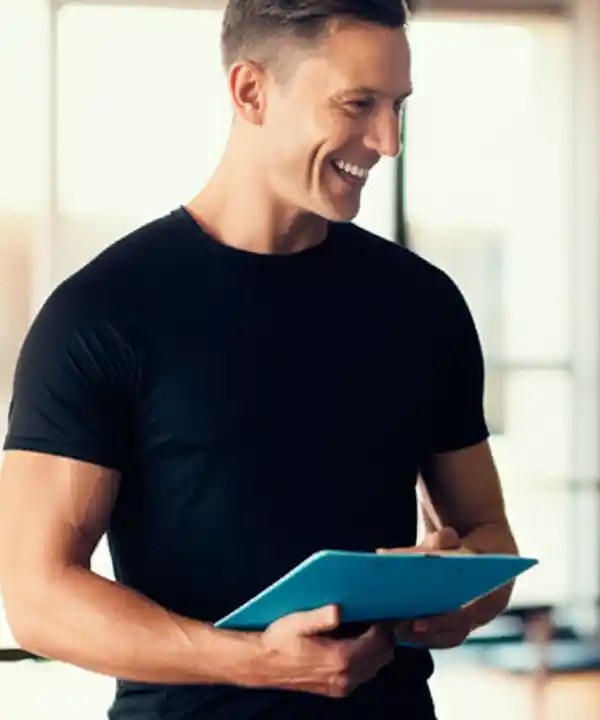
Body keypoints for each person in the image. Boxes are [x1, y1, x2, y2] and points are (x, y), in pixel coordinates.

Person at [0, 1, 519, 718]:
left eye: (398, 107)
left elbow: (490, 537)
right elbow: (37, 598)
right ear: (251, 91)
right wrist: (257, 663)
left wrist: (456, 595)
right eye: (357, 104)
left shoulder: (422, 303)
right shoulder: (102, 314)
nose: (387, 141)